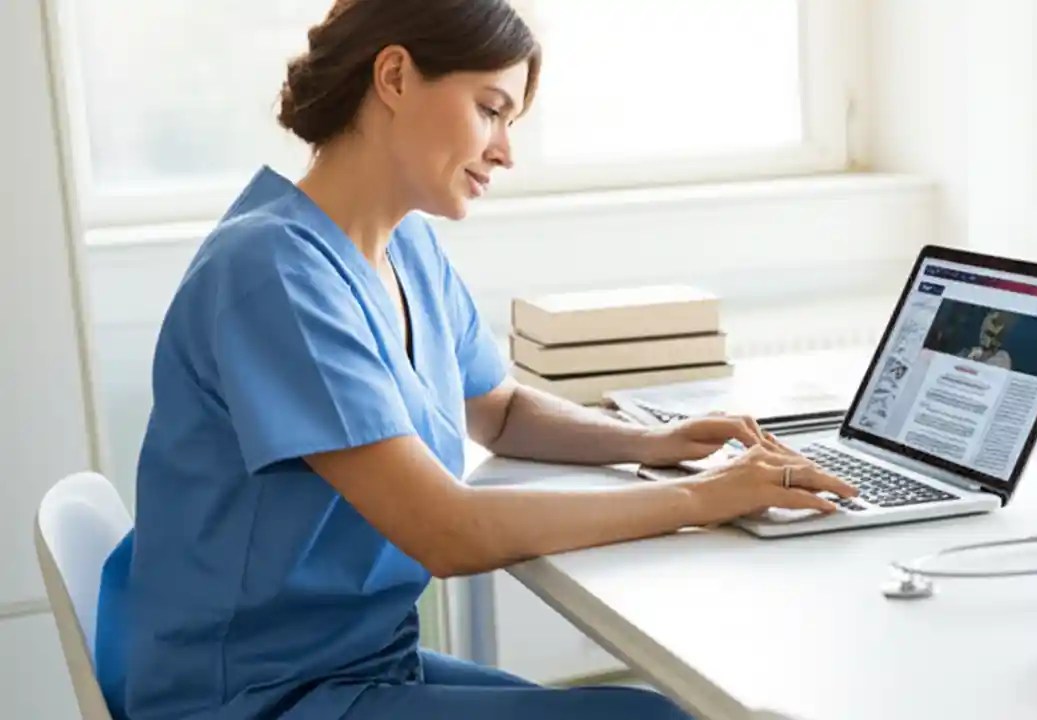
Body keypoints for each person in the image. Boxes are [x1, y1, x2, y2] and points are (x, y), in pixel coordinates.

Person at [92, 2, 855, 719]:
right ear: (393, 78)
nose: (505, 150)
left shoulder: (406, 248)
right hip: (260, 696)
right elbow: (447, 532)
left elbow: (501, 409)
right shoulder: (272, 272)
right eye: (490, 109)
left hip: (361, 665)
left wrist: (648, 440)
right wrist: (702, 499)